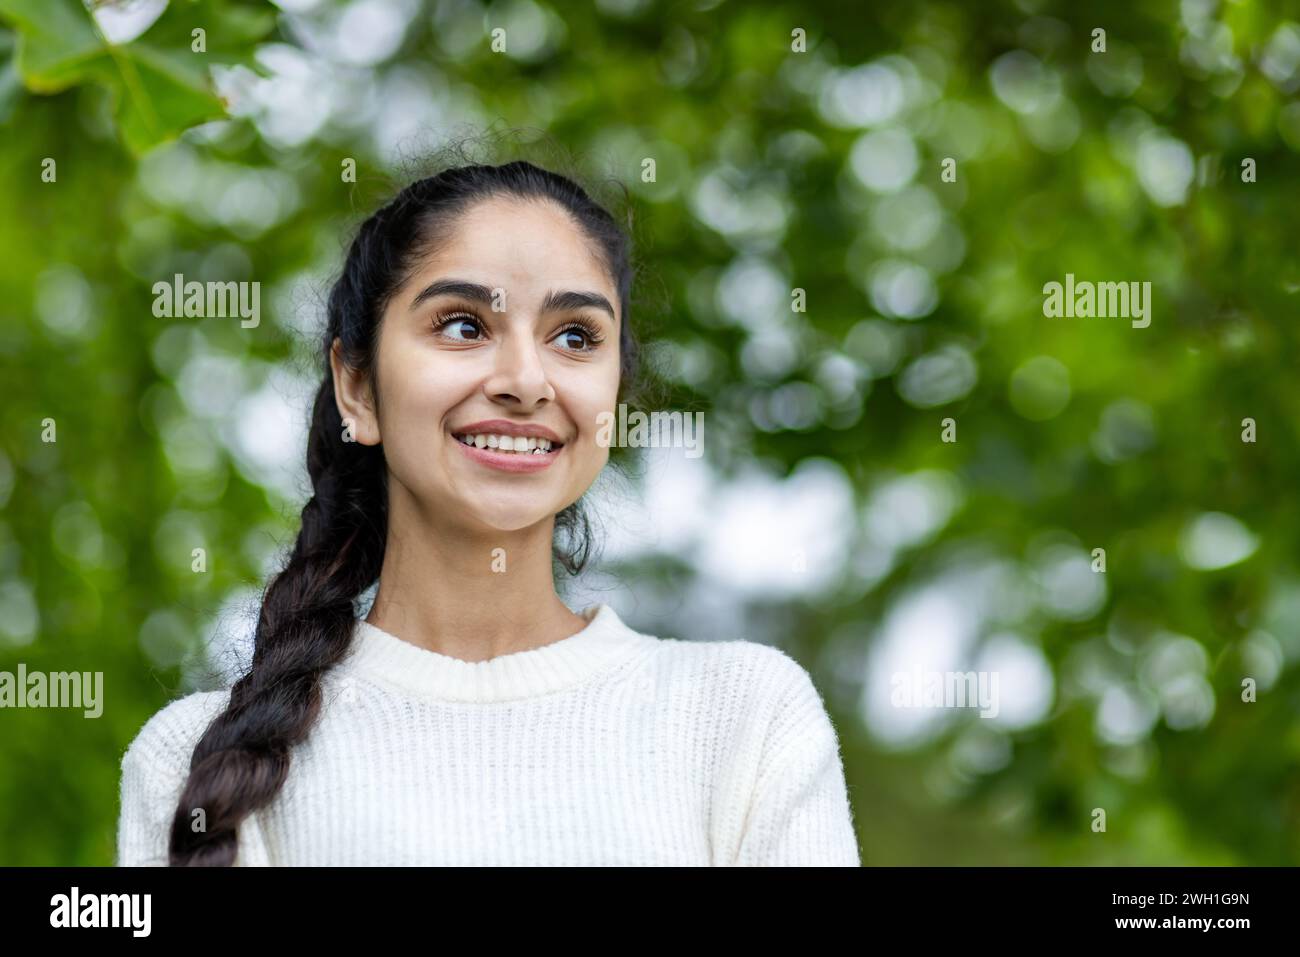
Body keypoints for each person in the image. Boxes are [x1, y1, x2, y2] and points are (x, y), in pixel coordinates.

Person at [116, 154, 860, 866]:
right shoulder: (193, 761)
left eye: (575, 336)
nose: (526, 380)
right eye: (464, 325)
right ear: (358, 389)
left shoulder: (745, 721)